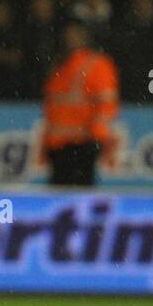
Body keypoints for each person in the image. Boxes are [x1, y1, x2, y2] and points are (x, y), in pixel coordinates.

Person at [42, 21, 120, 186]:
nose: (70, 40)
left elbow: (106, 103)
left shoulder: (96, 64)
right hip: (59, 143)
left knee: (77, 194)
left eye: (75, 35)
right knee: (61, 194)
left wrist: (97, 136)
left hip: (82, 141)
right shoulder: (61, 64)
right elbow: (52, 106)